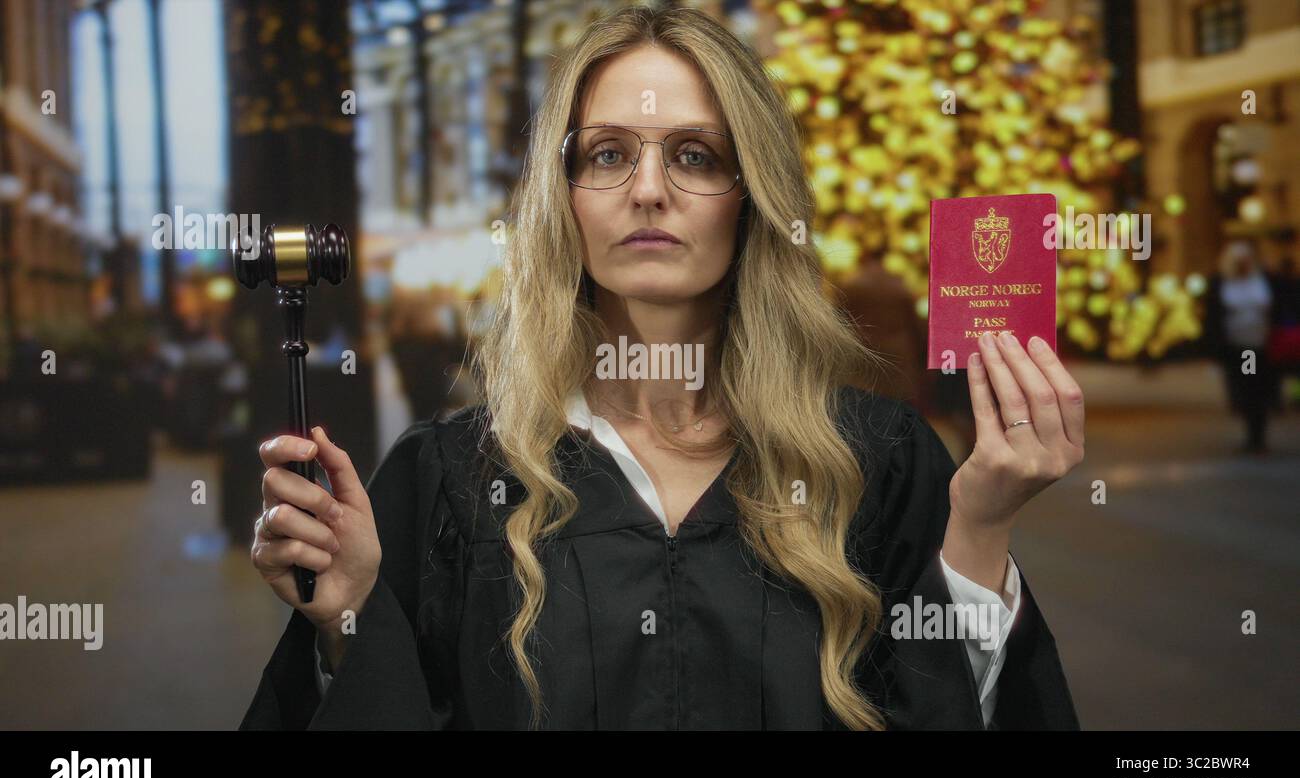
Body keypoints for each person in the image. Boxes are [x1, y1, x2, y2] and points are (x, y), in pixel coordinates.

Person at [239, 2, 1084, 730]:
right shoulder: (451, 480)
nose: (648, 189)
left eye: (694, 155)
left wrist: (978, 528)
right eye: (607, 154)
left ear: (753, 195)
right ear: (561, 197)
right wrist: (348, 612)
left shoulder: (874, 462)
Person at [1205, 240, 1280, 453]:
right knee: (1246, 389)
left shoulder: (1263, 281)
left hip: (1260, 346)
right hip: (1240, 347)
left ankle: (1257, 433)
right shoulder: (1223, 283)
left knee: (1256, 389)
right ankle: (1253, 432)